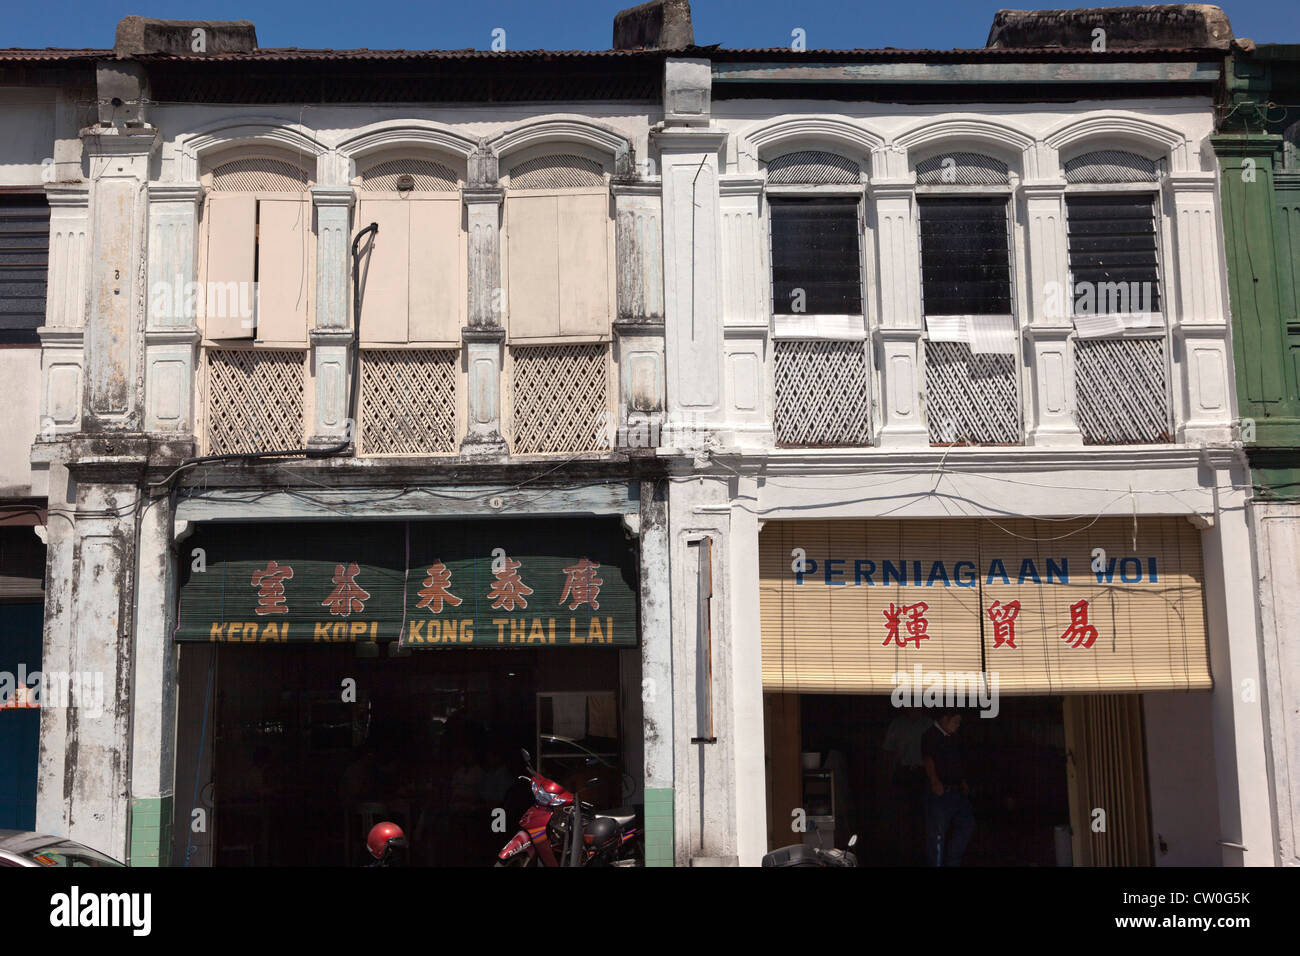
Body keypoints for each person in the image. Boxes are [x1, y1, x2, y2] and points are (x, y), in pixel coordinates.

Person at [921, 709, 974, 866]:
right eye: (956, 721)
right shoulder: (930, 735)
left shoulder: (952, 738)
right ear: (945, 719)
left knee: (967, 824)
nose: (958, 725)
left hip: (956, 791)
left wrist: (962, 781)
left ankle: (952, 861)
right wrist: (934, 781)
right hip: (941, 792)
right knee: (937, 835)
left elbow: (956, 762)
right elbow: (928, 759)